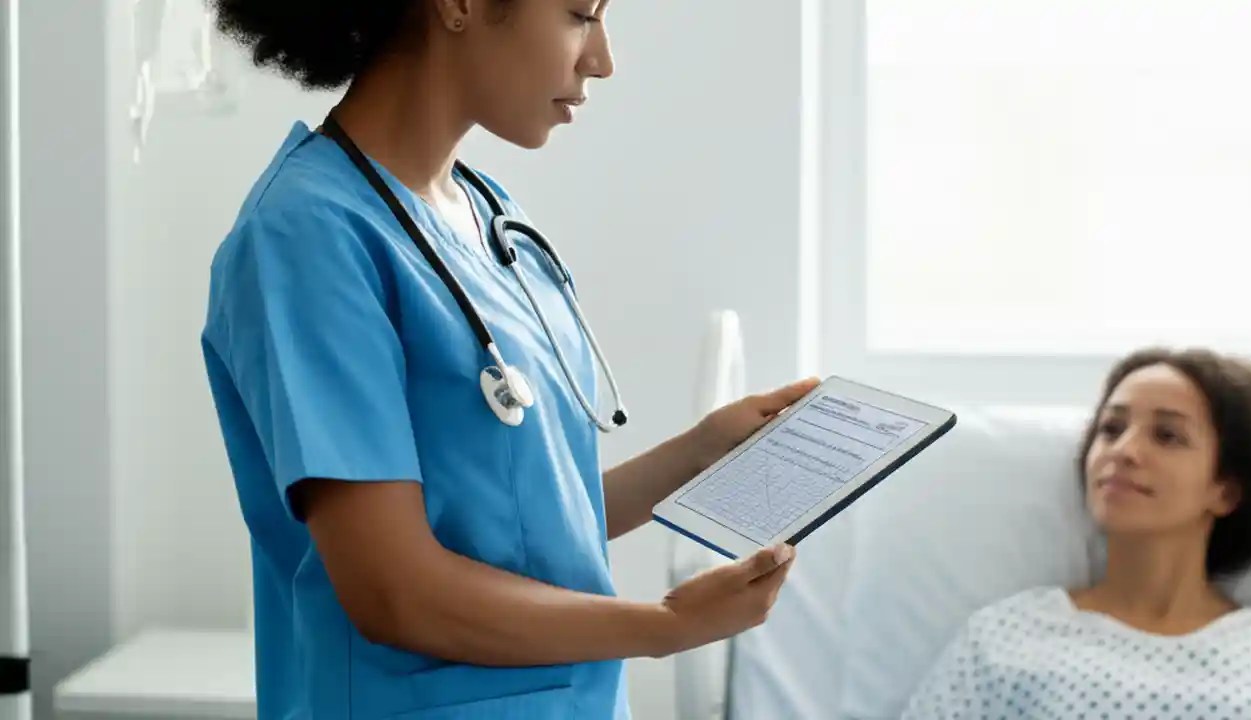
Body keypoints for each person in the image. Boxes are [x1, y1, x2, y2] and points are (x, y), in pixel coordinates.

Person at [200, 1, 814, 718]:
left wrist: (702, 450)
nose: (602, 59)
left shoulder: (491, 216)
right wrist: (668, 626)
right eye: (580, 14)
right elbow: (395, 592)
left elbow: (525, 523)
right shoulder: (308, 238)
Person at [901, 348, 1251, 719]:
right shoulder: (1005, 637)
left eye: (1167, 436)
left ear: (1225, 490)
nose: (1124, 450)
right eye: (1111, 429)